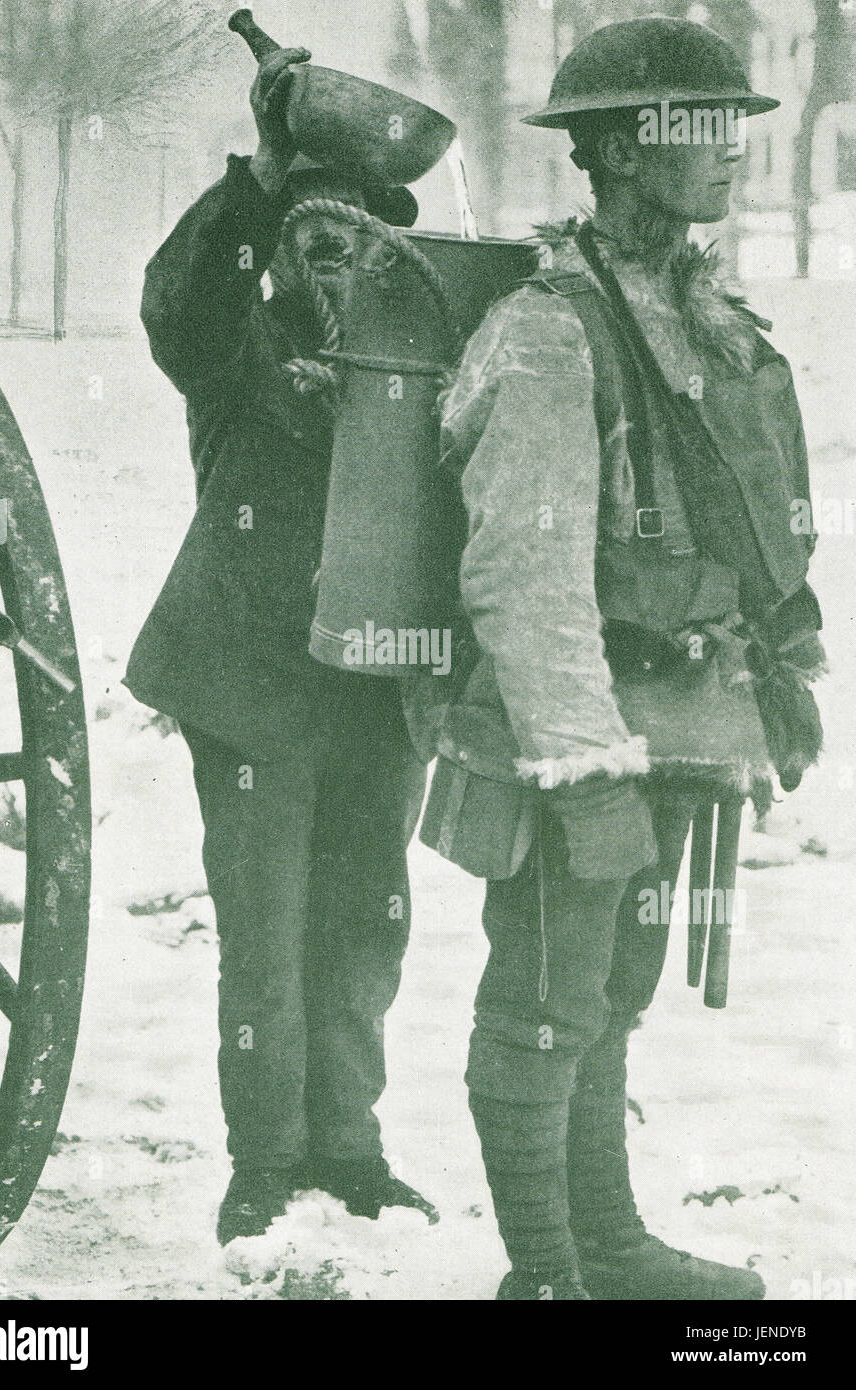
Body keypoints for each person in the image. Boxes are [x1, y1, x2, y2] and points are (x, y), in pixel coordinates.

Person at [410, 16, 825, 1299]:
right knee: (541, 1001)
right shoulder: (550, 329)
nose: (729, 157)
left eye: (731, 131)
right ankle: (542, 1274)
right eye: (700, 131)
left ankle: (608, 1245)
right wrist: (580, 764)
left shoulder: (690, 311)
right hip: (568, 724)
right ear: (629, 151)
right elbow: (522, 575)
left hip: (682, 709)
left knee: (615, 988)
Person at [125, 42, 434, 1243]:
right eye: (307, 223)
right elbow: (180, 301)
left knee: (366, 920)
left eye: (352, 224)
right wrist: (257, 183)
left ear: (386, 242)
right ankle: (265, 1159)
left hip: (376, 678)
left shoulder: (421, 350)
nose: (331, 245)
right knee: (264, 932)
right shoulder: (229, 337)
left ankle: (350, 1149)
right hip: (249, 678)